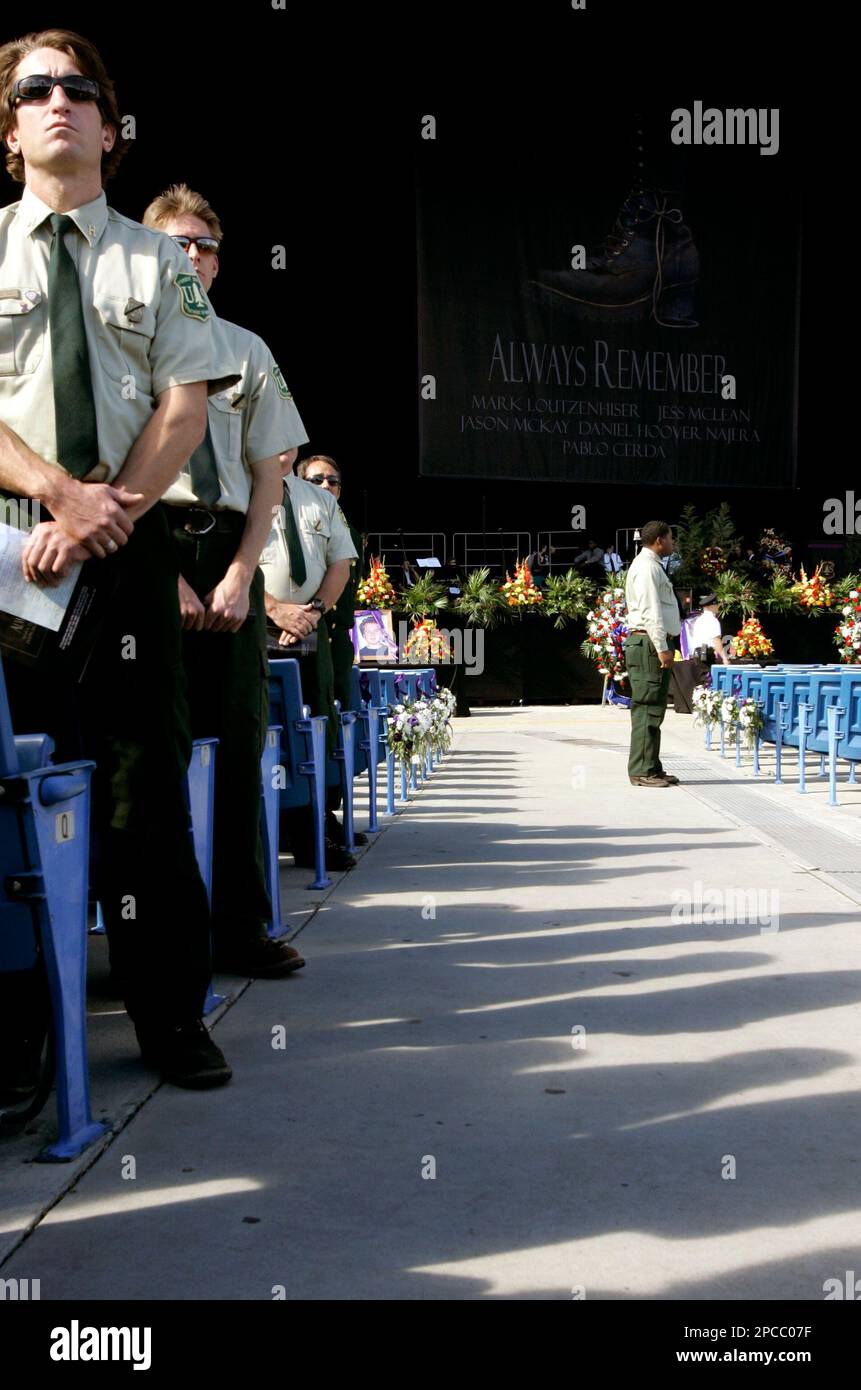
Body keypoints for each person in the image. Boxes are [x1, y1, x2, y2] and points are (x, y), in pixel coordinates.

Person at [0, 29, 239, 1088]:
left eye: (79, 88)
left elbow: (184, 409)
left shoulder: (161, 264)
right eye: (34, 90)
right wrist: (57, 495)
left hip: (128, 549)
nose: (58, 100)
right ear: (10, 130)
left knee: (145, 789)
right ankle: (17, 1033)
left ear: (110, 125)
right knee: (8, 784)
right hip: (12, 550)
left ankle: (169, 1017)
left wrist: (105, 511)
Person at [142, 184, 309, 979]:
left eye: (203, 246)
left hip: (230, 558)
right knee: (150, 756)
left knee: (240, 747)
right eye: (174, 243)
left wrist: (243, 576)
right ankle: (158, 946)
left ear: (216, 264)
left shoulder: (248, 350)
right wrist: (159, 571)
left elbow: (270, 475)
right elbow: (107, 465)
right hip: (148, 546)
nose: (191, 256)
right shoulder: (125, 344)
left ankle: (240, 929)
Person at [259, 454, 357, 869]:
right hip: (252, 622)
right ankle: (259, 837)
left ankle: (311, 834)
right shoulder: (240, 486)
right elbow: (232, 559)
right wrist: (273, 609)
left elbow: (340, 563)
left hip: (311, 627)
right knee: (260, 733)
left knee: (312, 732)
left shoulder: (320, 501)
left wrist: (313, 612)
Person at [297, 453, 368, 848]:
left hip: (338, 639)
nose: (327, 486)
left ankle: (329, 812)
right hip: (309, 632)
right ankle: (310, 819)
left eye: (333, 481)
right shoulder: (295, 517)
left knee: (337, 729)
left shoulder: (347, 528)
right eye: (317, 479)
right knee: (312, 727)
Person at [624, 520, 681, 788]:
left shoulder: (651, 565)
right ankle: (641, 770)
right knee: (647, 708)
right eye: (670, 538)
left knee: (654, 709)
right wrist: (662, 647)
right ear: (659, 540)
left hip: (649, 643)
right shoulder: (647, 567)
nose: (673, 542)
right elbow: (651, 611)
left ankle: (651, 767)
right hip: (648, 643)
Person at [686, 593, 728, 665]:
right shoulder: (713, 620)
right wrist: (724, 658)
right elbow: (716, 640)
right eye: (716, 604)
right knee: (708, 672)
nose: (718, 606)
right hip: (706, 653)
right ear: (711, 606)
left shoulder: (699, 619)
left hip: (697, 653)